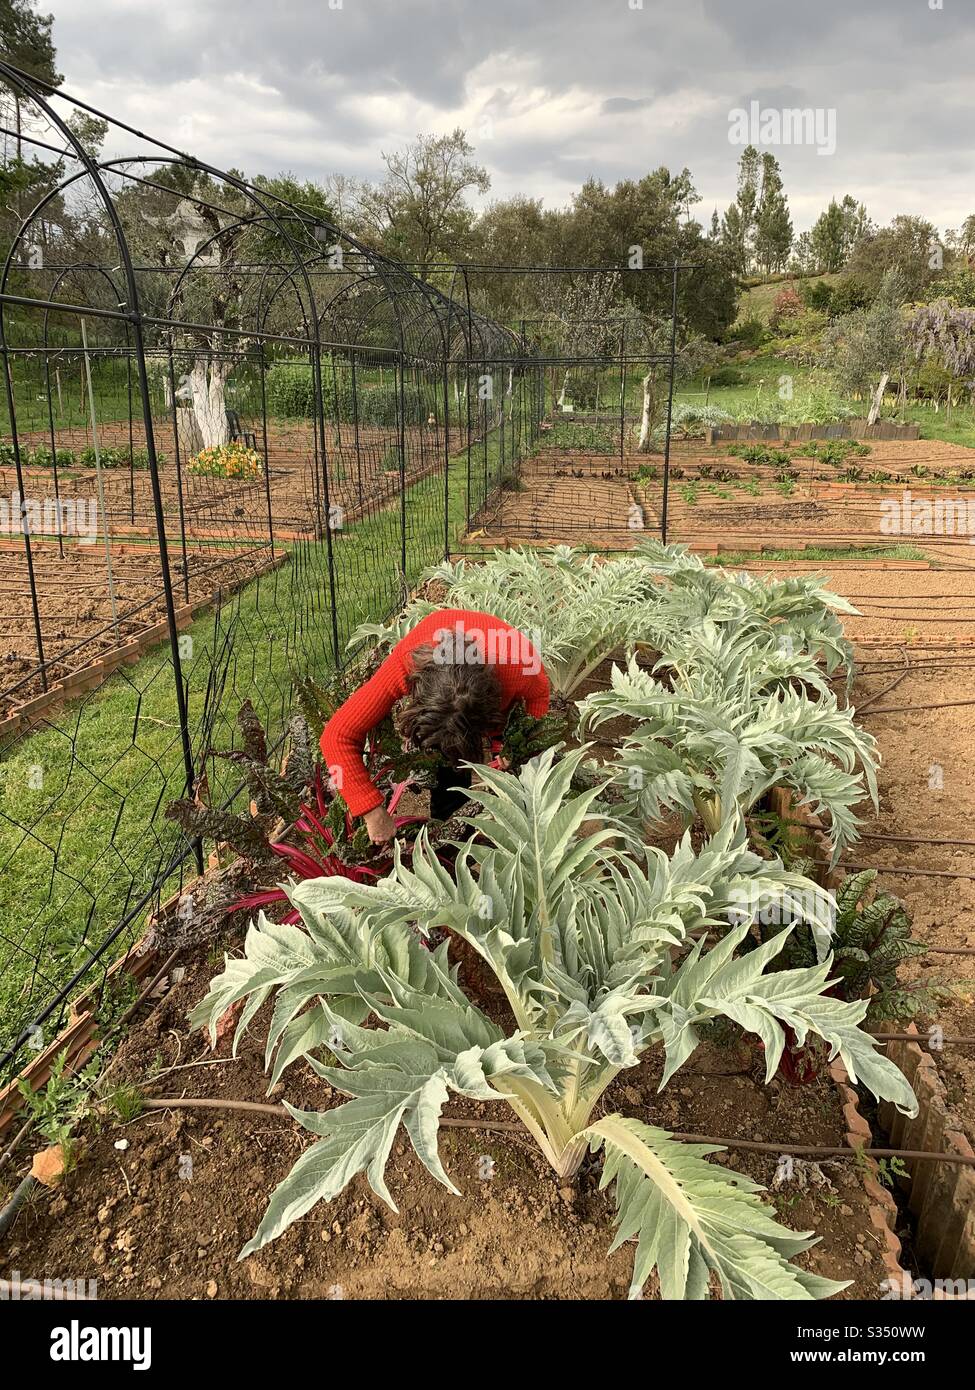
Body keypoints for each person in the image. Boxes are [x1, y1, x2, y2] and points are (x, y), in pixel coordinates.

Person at [320, 608, 550, 842]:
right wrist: (371, 812)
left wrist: (514, 745)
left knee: (524, 784)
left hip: (498, 687)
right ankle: (451, 840)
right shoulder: (408, 663)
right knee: (448, 773)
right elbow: (335, 736)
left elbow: (540, 697)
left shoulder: (519, 663)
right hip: (444, 682)